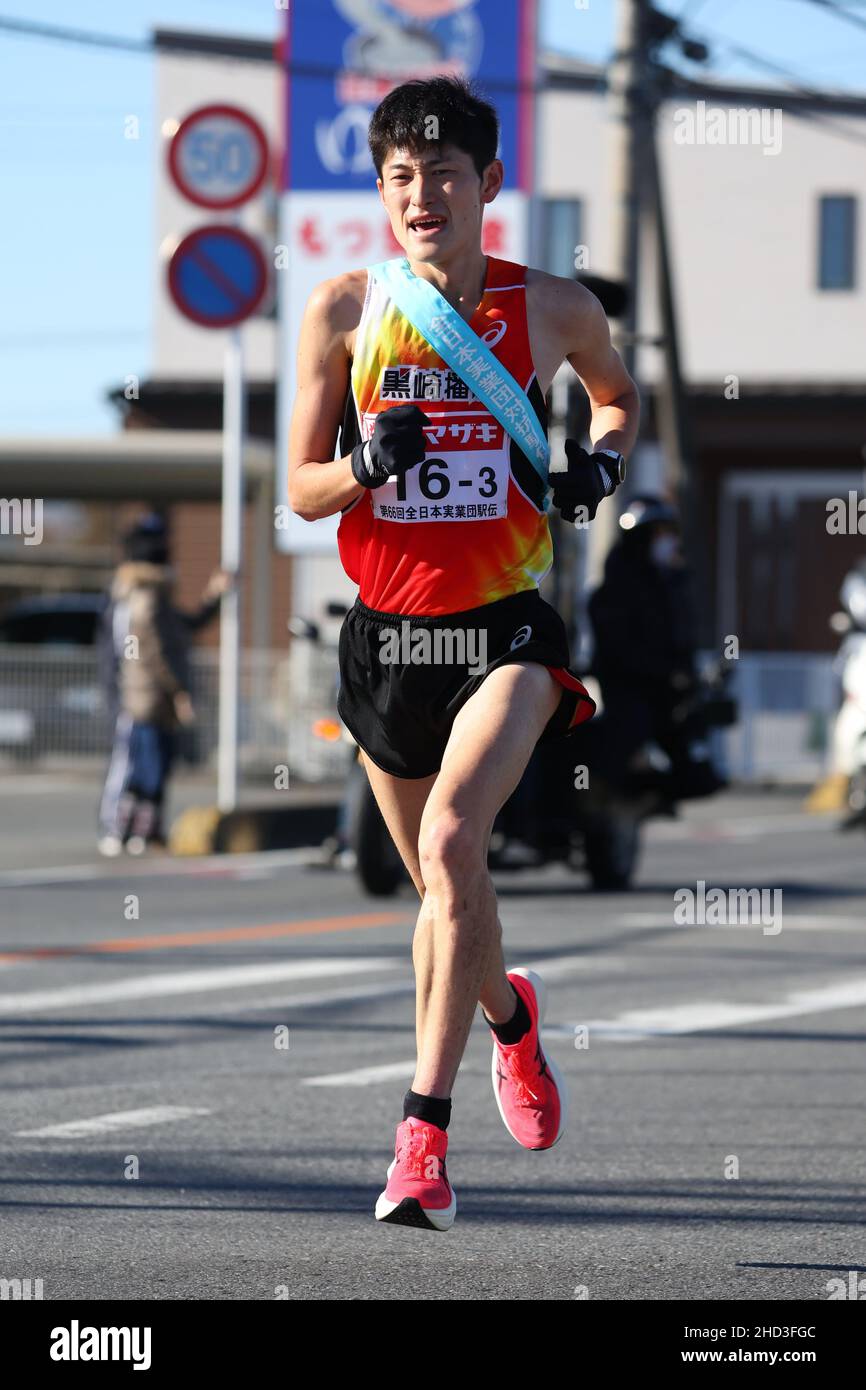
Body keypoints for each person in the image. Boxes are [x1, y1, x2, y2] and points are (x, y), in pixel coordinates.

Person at [288, 76, 640, 1231]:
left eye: (442, 173)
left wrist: (598, 462)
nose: (420, 194)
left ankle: (420, 1144)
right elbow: (296, 490)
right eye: (398, 177)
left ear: (488, 182)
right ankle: (510, 1018)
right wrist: (363, 466)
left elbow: (615, 396)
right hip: (387, 638)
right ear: (380, 193)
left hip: (505, 630)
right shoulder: (343, 311)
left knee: (449, 842)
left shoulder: (549, 307)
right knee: (446, 885)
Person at [96, 515, 231, 855]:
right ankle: (125, 831)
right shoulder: (146, 599)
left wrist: (213, 597)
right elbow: (159, 652)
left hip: (137, 697)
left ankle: (133, 831)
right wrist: (180, 690)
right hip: (145, 699)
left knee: (143, 766)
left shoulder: (128, 596)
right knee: (142, 768)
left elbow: (181, 627)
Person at [588, 495, 700, 786]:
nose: (668, 542)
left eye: (670, 533)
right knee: (628, 739)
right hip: (629, 696)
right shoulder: (615, 592)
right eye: (659, 534)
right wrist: (664, 672)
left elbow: (682, 637)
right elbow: (619, 652)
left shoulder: (673, 584)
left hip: (664, 695)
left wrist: (685, 674)